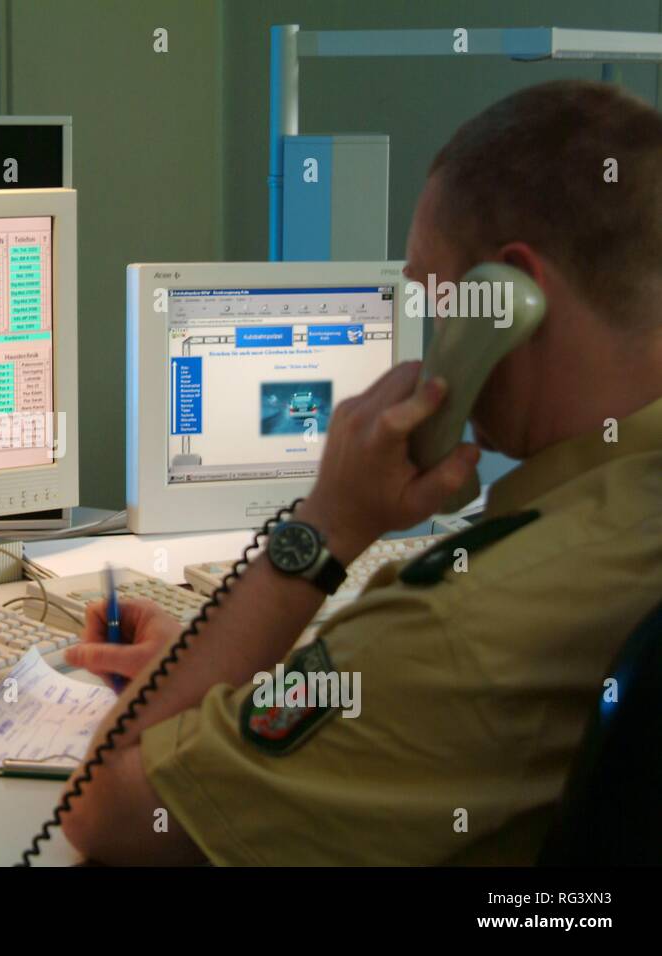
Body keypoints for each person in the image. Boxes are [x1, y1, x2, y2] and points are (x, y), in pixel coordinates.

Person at [58, 79, 662, 865]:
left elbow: (104, 806)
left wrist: (324, 523)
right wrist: (229, 662)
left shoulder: (460, 628)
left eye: (433, 298)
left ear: (506, 302)